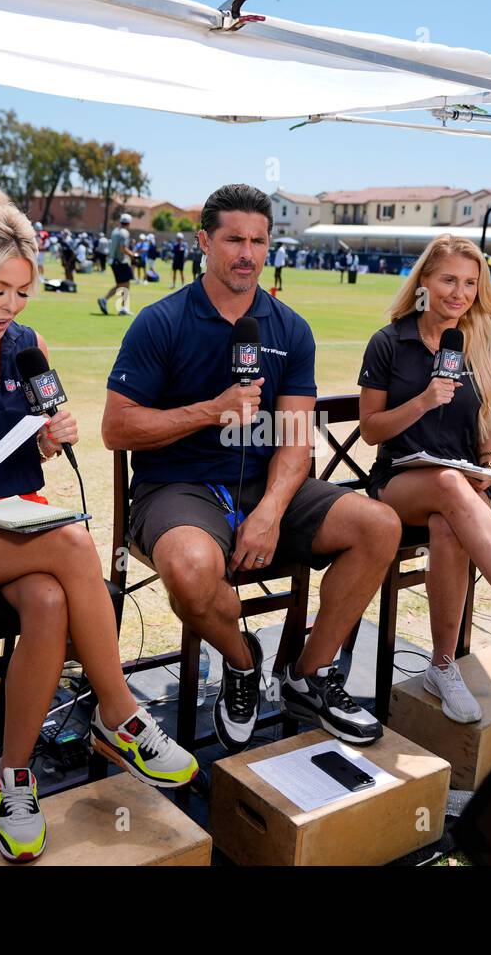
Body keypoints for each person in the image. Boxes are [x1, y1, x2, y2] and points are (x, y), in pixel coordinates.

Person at [0, 180, 197, 862]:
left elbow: (38, 441)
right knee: (75, 544)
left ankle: (13, 777)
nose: (10, 307)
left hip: (24, 524)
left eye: (23, 292)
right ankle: (118, 712)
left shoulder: (29, 345)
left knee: (50, 601)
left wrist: (52, 438)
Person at [102, 183, 402, 752]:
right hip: (178, 487)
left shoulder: (290, 328)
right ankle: (242, 662)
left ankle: (307, 676)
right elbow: (116, 428)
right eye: (234, 240)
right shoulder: (160, 321)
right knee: (191, 568)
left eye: (258, 242)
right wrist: (209, 411)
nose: (247, 254)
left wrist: (269, 511)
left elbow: (296, 438)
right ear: (204, 242)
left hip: (267, 487)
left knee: (379, 525)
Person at [357, 235, 491, 722]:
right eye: (448, 280)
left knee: (448, 524)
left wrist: (489, 464)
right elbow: (370, 430)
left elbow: (489, 419)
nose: (459, 293)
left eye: (470, 283)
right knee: (447, 487)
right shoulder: (389, 342)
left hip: (460, 488)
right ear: (424, 281)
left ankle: (442, 666)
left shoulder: (486, 343)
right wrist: (423, 401)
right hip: (398, 481)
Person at [97, 213, 134, 316]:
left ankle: (110, 301)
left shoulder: (115, 231)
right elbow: (122, 248)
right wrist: (133, 255)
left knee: (122, 285)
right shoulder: (124, 233)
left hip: (114, 261)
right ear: (129, 223)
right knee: (125, 285)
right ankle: (121, 307)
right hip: (120, 261)